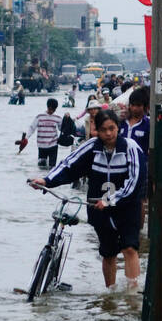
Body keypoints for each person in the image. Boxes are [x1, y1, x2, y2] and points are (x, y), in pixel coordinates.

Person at [31, 108, 146, 289]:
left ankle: (132, 294)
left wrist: (110, 201)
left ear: (118, 128)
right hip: (97, 208)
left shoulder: (131, 148)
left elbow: (135, 182)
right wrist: (46, 180)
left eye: (112, 128)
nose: (108, 134)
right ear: (96, 130)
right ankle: (111, 293)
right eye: (104, 130)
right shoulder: (91, 146)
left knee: (130, 247)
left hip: (127, 207)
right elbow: (68, 165)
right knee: (107, 253)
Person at [21, 98, 62, 168]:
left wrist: (67, 120)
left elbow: (61, 129)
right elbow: (32, 128)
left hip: (53, 145)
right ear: (48, 107)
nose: (53, 111)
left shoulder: (58, 118)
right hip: (42, 146)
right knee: (41, 167)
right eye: (51, 109)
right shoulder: (39, 117)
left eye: (54, 109)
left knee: (52, 167)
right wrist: (26, 138)